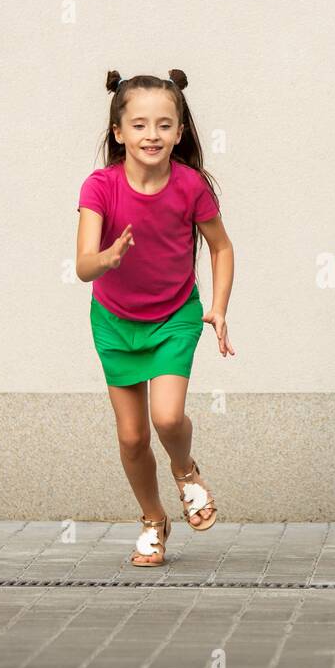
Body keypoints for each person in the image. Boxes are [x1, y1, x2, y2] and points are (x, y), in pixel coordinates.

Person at [75, 69, 235, 567]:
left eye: (164, 125)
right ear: (118, 132)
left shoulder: (190, 186)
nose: (153, 135)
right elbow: (84, 266)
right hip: (114, 320)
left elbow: (221, 246)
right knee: (131, 436)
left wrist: (220, 307)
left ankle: (185, 471)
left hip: (174, 316)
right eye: (140, 125)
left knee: (166, 417)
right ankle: (152, 519)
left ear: (180, 131)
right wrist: (107, 259)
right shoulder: (100, 186)